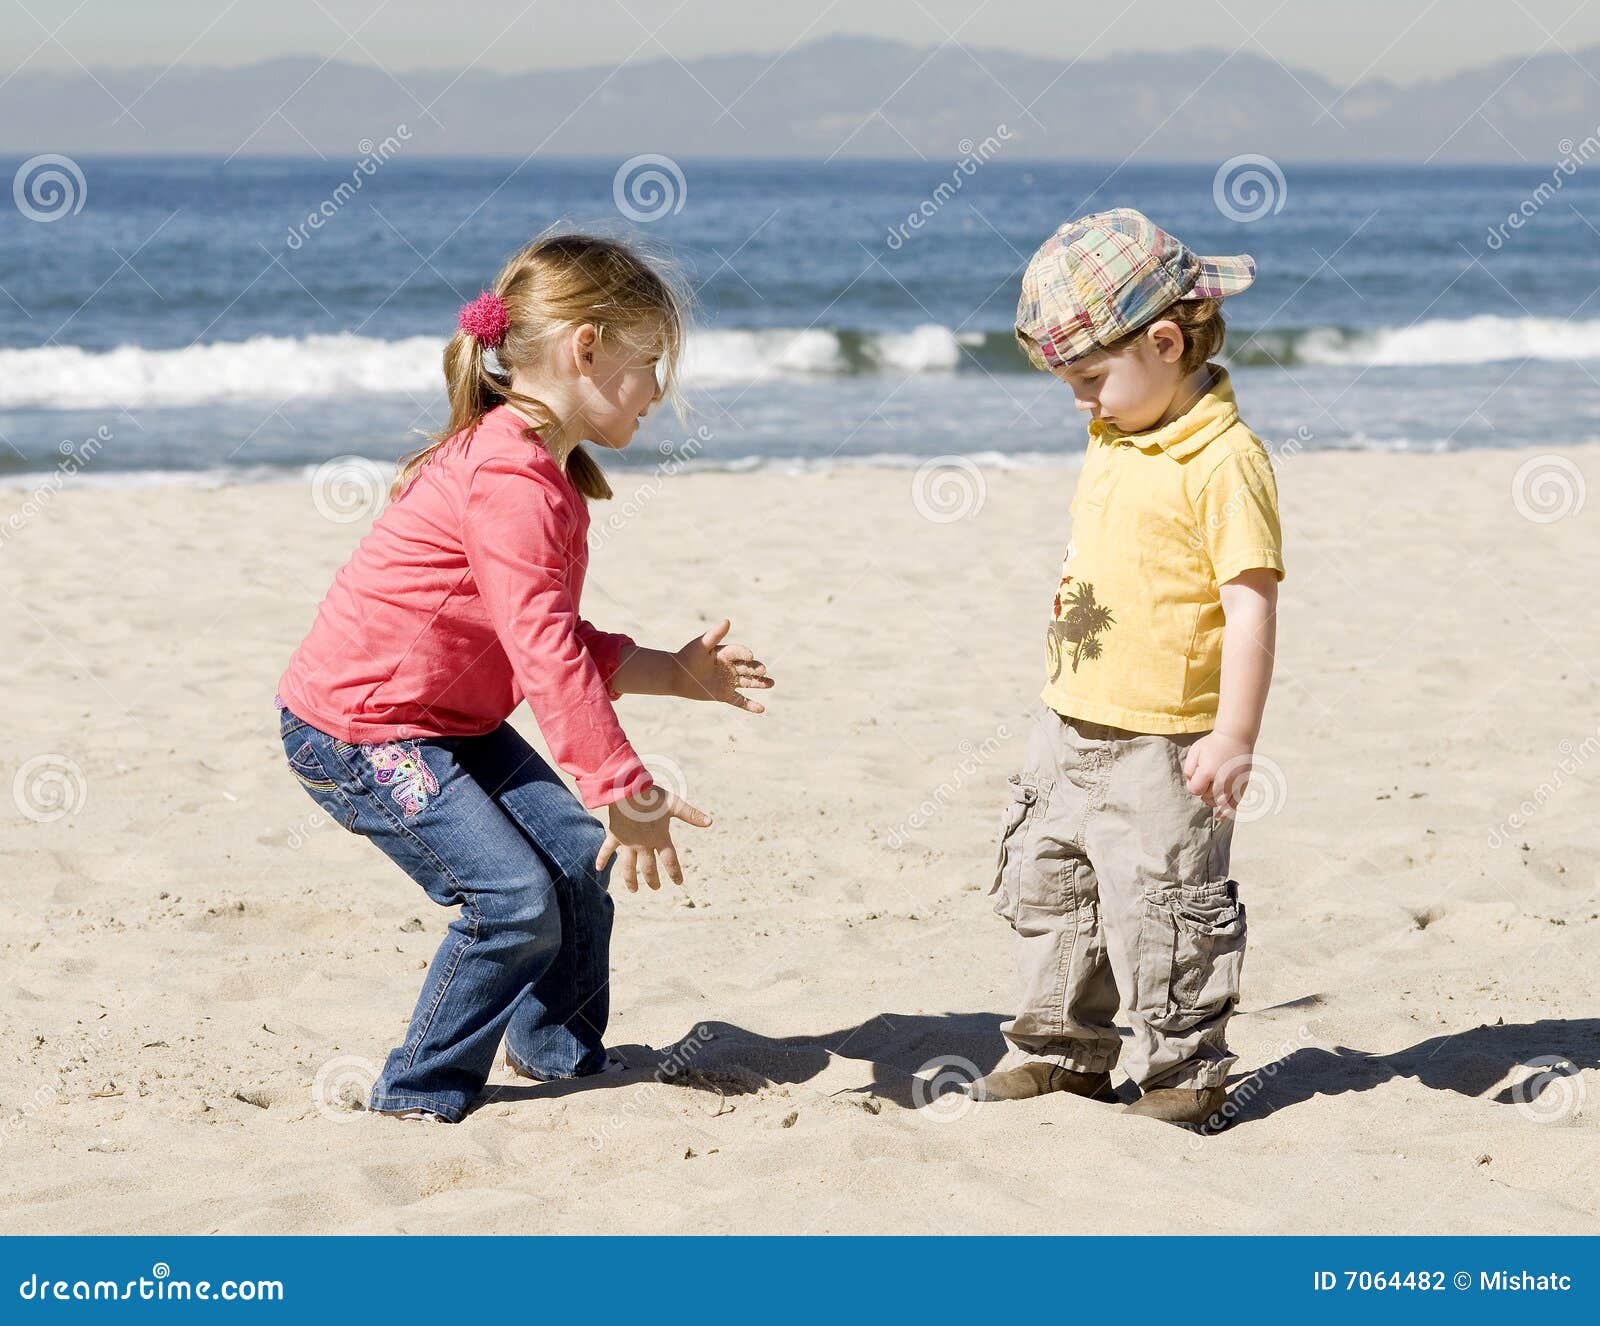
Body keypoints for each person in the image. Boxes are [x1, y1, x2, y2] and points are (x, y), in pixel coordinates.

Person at [275, 232, 773, 1124]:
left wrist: (678, 673)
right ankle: (418, 1086)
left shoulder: (540, 468)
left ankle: (557, 1052)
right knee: (513, 902)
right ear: (587, 349)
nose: (658, 392)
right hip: (362, 730)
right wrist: (619, 782)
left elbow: (542, 630)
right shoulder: (511, 475)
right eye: (650, 363)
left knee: (576, 868)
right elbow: (543, 648)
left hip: (450, 721)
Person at [972, 209, 1285, 1128]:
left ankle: (1185, 1072)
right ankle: (1063, 1054)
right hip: (1068, 719)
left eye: (1091, 378)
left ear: (1164, 341)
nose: (1082, 402)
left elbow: (1251, 602)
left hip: (1166, 740)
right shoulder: (1117, 433)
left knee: (1167, 908)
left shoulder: (1226, 461)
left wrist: (1234, 735)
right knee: (1050, 886)